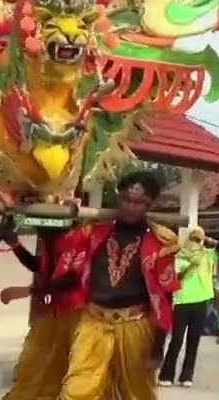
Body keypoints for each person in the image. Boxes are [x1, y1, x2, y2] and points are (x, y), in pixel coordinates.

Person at [50, 170, 180, 400]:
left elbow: (165, 298)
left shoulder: (160, 243)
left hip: (135, 329)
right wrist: (64, 214)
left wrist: (158, 346)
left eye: (139, 202)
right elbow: (60, 248)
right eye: (126, 199)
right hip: (92, 324)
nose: (130, 206)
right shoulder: (94, 232)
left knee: (136, 394)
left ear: (150, 205)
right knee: (76, 392)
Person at [0, 225, 81, 400]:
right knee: (35, 367)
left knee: (70, 373)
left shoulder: (78, 237)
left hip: (77, 316)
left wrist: (27, 291)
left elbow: (73, 278)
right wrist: (15, 244)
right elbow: (40, 266)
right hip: (55, 313)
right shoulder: (50, 241)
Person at [159, 226, 218, 387]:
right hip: (182, 301)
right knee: (176, 340)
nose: (196, 242)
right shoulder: (179, 256)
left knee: (193, 341)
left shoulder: (207, 255)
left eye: (198, 239)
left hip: (201, 301)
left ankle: (187, 376)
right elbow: (176, 274)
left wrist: (205, 239)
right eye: (193, 238)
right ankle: (166, 375)